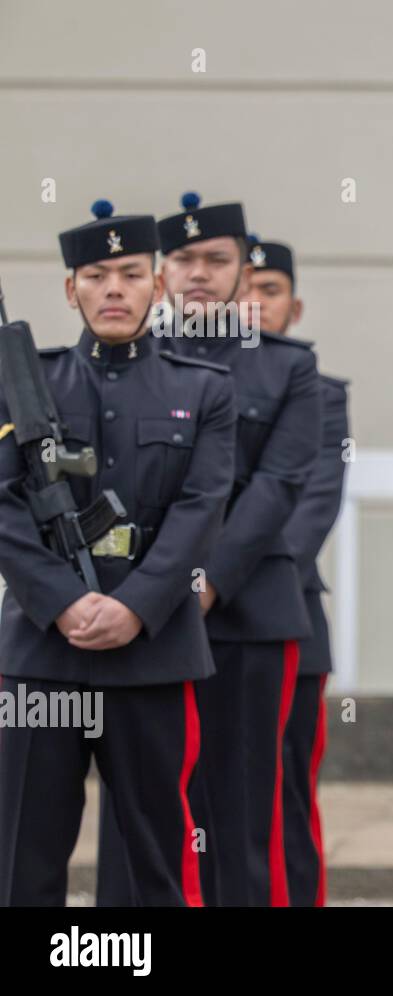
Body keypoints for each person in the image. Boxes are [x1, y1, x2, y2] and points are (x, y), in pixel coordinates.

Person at [0, 200, 235, 905]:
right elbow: (5, 504)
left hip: (150, 654)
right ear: (70, 289)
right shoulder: (21, 383)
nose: (112, 289)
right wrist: (61, 600)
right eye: (95, 275)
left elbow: (202, 508)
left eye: (129, 274)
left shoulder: (203, 390)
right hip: (44, 655)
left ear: (157, 285)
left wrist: (134, 607)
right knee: (21, 856)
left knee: (153, 858)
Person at [157, 192, 321, 906]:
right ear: (163, 272)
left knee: (245, 811)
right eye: (184, 259)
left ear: (241, 270)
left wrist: (206, 582)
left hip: (247, 609)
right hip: (148, 613)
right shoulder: (136, 358)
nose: (199, 273)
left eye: (215, 258)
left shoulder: (287, 366)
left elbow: (279, 486)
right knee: (150, 808)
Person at [240, 236, 350, 906]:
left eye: (270, 290)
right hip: (185, 619)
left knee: (283, 792)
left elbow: (311, 507)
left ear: (295, 305)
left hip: (283, 615)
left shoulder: (321, 394)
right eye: (245, 286)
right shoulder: (184, 382)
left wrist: (223, 578)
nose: (254, 302)